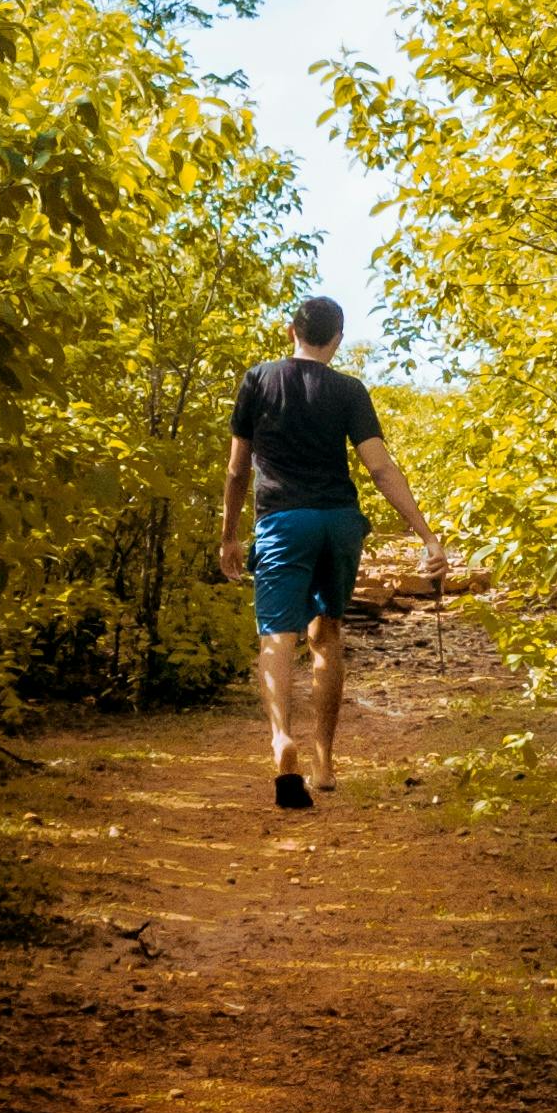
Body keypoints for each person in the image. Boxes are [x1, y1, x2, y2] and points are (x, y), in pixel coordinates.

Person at [219, 293, 447, 808]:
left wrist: (230, 535)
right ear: (338, 339)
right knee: (328, 634)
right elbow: (380, 468)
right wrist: (426, 535)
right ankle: (323, 762)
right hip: (340, 523)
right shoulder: (349, 390)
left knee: (277, 636)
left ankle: (282, 741)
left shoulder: (259, 379)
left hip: (283, 521)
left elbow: (237, 469)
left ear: (290, 332)